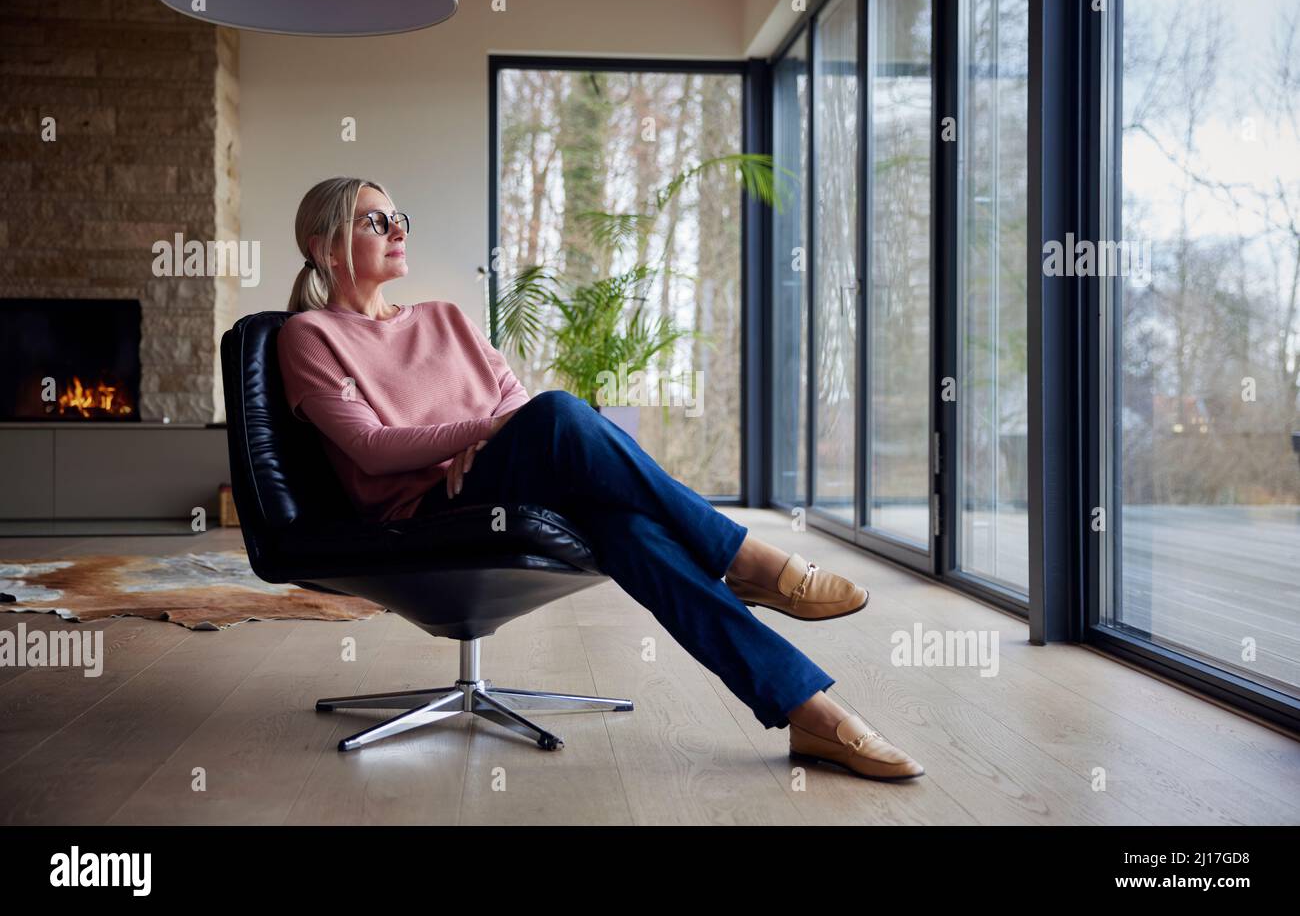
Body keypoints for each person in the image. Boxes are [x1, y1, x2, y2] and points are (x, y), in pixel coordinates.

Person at [276, 176, 925, 782]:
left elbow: (512, 400)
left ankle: (809, 713)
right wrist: (481, 432)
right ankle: (747, 557)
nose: (398, 230)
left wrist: (496, 429)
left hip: (497, 483)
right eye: (375, 220)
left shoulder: (443, 316)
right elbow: (371, 447)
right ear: (324, 247)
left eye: (399, 218)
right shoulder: (309, 336)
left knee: (632, 531)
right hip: (425, 508)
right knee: (561, 411)